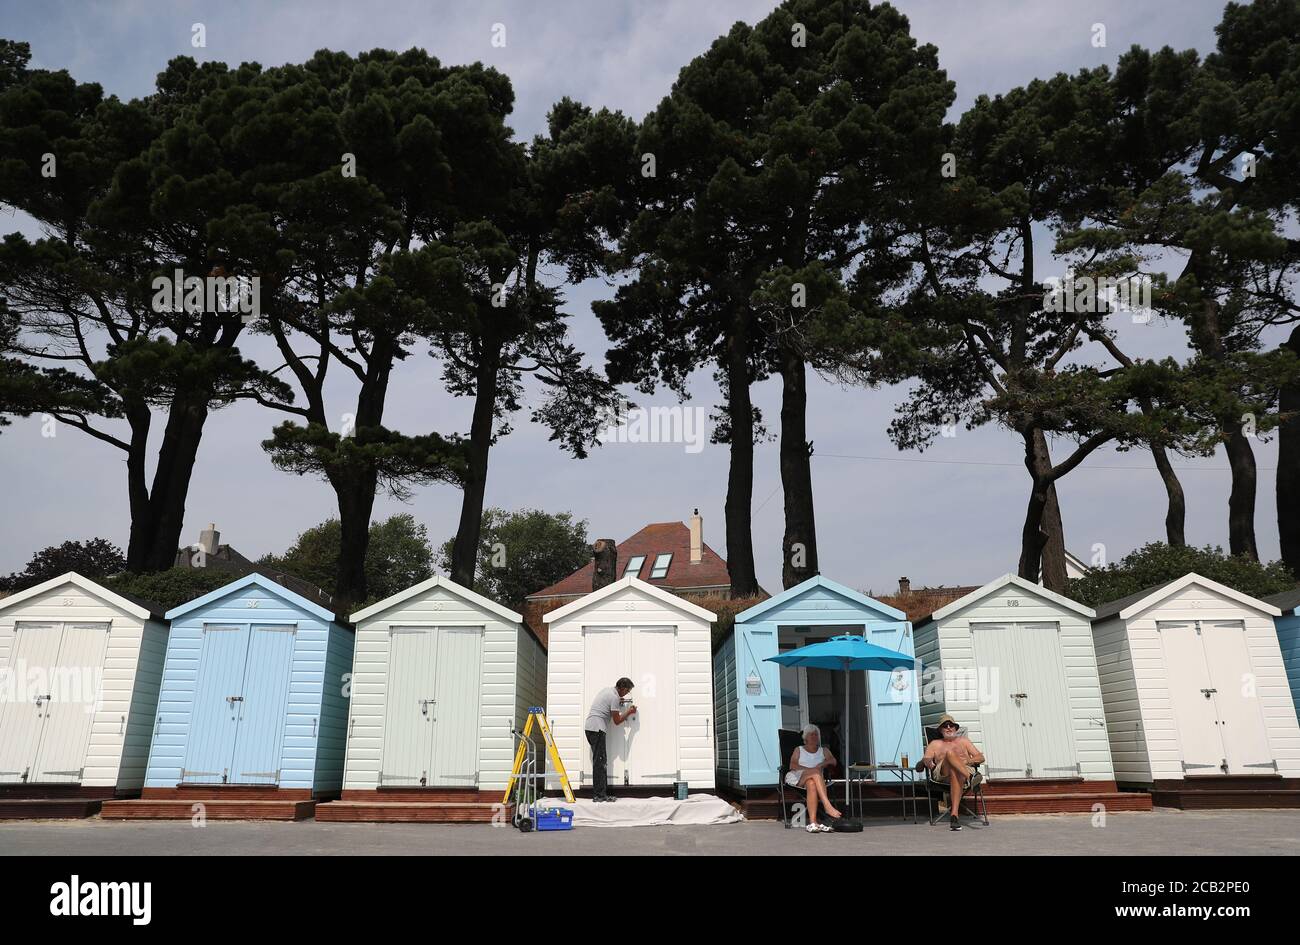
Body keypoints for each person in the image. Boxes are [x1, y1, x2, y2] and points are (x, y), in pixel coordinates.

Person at [921, 713, 984, 830]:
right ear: (940, 729)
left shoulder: (964, 741)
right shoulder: (935, 744)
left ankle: (954, 816)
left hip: (962, 771)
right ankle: (971, 778)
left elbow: (980, 757)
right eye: (945, 725)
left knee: (956, 772)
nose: (949, 727)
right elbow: (926, 758)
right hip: (943, 772)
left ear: (956, 728)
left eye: (951, 725)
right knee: (950, 753)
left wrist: (967, 761)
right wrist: (927, 761)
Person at [584, 676, 637, 802]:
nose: (627, 693)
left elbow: (609, 705)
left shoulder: (608, 691)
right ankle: (599, 795)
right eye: (627, 690)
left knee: (600, 762)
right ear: (622, 688)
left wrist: (619, 701)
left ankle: (600, 794)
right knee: (600, 763)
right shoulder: (614, 697)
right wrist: (629, 712)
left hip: (591, 728)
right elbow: (617, 721)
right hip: (597, 730)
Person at [786, 723, 842, 833]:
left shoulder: (824, 750)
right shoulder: (799, 749)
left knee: (812, 783)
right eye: (812, 735)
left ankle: (813, 822)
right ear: (805, 737)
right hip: (798, 778)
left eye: (816, 735)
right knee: (815, 773)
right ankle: (827, 806)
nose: (815, 737)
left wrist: (822, 764)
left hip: (815, 782)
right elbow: (792, 765)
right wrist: (810, 770)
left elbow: (833, 761)